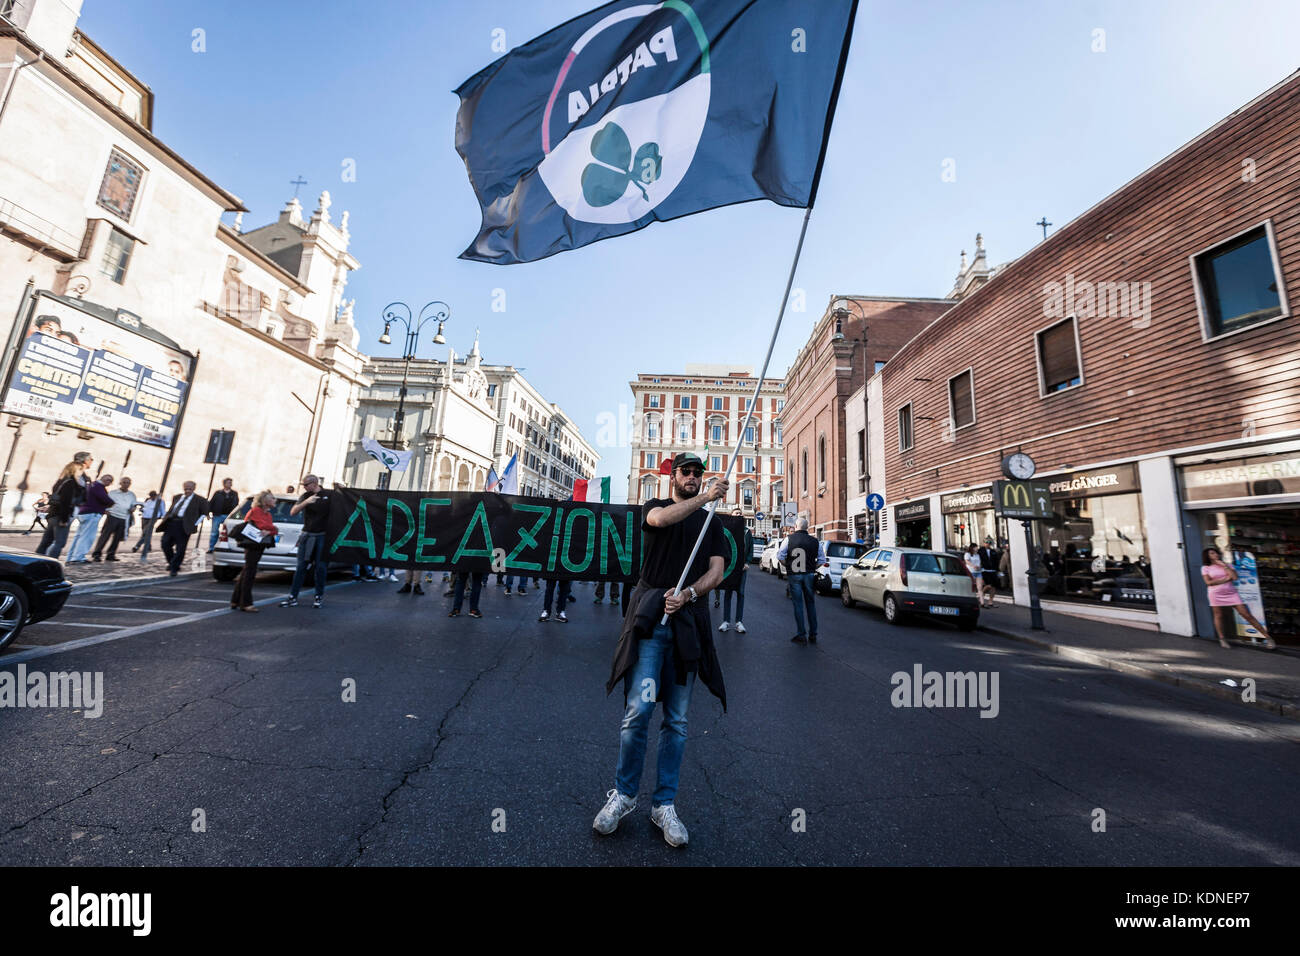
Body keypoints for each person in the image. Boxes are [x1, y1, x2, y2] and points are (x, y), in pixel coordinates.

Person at [595, 452, 728, 848]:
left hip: (687, 626)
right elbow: (660, 521)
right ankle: (623, 795)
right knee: (638, 710)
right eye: (686, 472)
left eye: (698, 474)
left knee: (678, 720)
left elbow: (717, 571)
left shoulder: (712, 524)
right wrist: (704, 498)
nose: (692, 477)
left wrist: (687, 594)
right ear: (673, 476)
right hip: (652, 622)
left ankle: (663, 804)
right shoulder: (656, 507)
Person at [1202, 547, 1275, 650]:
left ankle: (1268, 638)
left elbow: (1235, 577)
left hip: (1231, 593)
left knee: (1246, 614)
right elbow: (1208, 583)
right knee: (1218, 615)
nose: (1215, 555)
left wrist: (1224, 566)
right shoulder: (1205, 568)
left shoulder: (1228, 565)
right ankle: (1222, 639)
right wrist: (1226, 579)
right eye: (1212, 553)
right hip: (1215, 594)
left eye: (1216, 552)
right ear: (1208, 556)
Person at [280, 475, 331, 608]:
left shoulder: (328, 495)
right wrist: (307, 502)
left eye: (306, 485)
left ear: (314, 483)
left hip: (322, 535)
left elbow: (343, 506)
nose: (304, 487)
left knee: (320, 567)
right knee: (301, 567)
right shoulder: (305, 496)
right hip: (307, 535)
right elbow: (293, 512)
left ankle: (318, 597)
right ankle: (293, 597)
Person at [778, 517, 826, 644]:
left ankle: (801, 634)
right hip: (809, 574)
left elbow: (780, 556)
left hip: (794, 574)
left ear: (796, 526)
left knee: (798, 604)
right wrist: (812, 567)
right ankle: (813, 634)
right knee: (810, 603)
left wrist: (788, 566)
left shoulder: (788, 539)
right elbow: (822, 560)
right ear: (807, 527)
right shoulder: (815, 541)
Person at [231, 491, 278, 612]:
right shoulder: (257, 511)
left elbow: (271, 529)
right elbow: (263, 526)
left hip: (259, 545)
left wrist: (271, 530)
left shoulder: (267, 514)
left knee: (247, 570)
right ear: (265, 501)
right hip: (252, 545)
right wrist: (272, 529)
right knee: (249, 572)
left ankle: (236, 600)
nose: (275, 500)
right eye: (272, 498)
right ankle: (246, 603)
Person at [36, 457, 91, 558]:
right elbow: (66, 502)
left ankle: (35, 563)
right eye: (80, 470)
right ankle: (51, 565)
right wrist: (64, 519)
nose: (82, 473)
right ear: (75, 470)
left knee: (46, 542)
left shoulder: (61, 481)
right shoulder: (70, 483)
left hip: (53, 514)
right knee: (60, 543)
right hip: (61, 515)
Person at [157, 481, 209, 577]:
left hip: (184, 525)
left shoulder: (200, 500)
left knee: (180, 548)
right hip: (171, 523)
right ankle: (172, 562)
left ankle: (174, 568)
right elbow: (171, 509)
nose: (187, 490)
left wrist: (195, 524)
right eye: (186, 488)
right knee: (165, 543)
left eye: (190, 488)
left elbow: (204, 513)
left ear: (194, 488)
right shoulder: (177, 497)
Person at [66, 474, 114, 563]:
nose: (109, 482)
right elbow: (106, 499)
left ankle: (71, 557)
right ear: (103, 479)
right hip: (92, 513)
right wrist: (110, 503)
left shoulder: (91, 485)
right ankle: (78, 557)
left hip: (83, 512)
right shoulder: (98, 486)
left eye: (110, 481)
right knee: (87, 537)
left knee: (79, 536)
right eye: (108, 480)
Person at [718, 509, 751, 634]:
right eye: (736, 513)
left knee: (740, 593)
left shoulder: (747, 532)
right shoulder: (726, 530)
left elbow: (750, 549)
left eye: (740, 513)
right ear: (731, 516)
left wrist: (747, 562)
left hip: (742, 569)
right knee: (728, 592)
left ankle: (739, 622)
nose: (739, 514)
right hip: (730, 568)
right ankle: (726, 621)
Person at [92, 476, 136, 562]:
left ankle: (111, 554)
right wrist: (106, 510)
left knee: (117, 538)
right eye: (124, 482)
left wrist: (133, 509)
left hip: (124, 518)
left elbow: (133, 505)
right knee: (105, 536)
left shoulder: (132, 495)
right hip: (112, 516)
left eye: (128, 483)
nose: (126, 484)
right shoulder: (113, 493)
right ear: (120, 483)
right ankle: (97, 554)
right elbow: (105, 502)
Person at [208, 478, 240, 553]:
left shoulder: (234, 493)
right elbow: (211, 503)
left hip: (229, 516)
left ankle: (227, 548)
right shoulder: (218, 493)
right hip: (217, 515)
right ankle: (211, 548)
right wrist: (208, 513)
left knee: (229, 533)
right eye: (228, 483)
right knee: (214, 533)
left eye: (231, 483)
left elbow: (237, 505)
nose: (230, 484)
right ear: (224, 484)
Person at [133, 491, 165, 560]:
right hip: (144, 517)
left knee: (146, 532)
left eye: (153, 496)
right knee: (145, 533)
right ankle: (148, 547)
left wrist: (163, 518)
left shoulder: (160, 501)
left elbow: (162, 510)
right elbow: (145, 507)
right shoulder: (148, 500)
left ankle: (137, 546)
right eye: (151, 496)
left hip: (153, 518)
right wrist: (141, 509)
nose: (152, 497)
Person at [965, 543, 991, 609]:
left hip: (978, 572)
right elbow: (967, 561)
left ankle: (982, 603)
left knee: (980, 588)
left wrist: (979, 567)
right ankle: (970, 602)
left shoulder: (978, 555)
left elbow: (979, 563)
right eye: (976, 547)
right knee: (971, 588)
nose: (977, 548)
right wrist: (973, 566)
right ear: (972, 548)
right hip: (971, 572)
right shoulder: (967, 554)